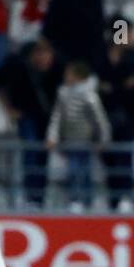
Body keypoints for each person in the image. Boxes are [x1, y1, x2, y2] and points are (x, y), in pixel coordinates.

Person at [0, 36, 61, 207]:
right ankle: (29, 196)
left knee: (42, 157)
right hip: (27, 117)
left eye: (48, 54)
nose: (45, 58)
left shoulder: (56, 70)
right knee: (31, 153)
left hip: (48, 119)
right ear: (33, 55)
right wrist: (9, 109)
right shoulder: (17, 66)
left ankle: (39, 198)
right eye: (41, 53)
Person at [45, 60, 110, 211]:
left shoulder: (90, 96)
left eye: (69, 74)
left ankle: (86, 200)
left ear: (78, 76)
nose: (65, 76)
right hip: (69, 140)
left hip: (85, 141)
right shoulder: (63, 94)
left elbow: (99, 120)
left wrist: (103, 139)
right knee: (73, 170)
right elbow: (57, 117)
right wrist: (52, 137)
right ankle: (75, 200)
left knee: (85, 171)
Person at [99, 15, 134, 213]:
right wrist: (117, 88)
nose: (131, 37)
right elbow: (99, 85)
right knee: (108, 157)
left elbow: (131, 85)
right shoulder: (99, 55)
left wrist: (112, 88)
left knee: (125, 155)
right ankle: (113, 198)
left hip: (128, 115)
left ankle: (125, 196)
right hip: (104, 115)